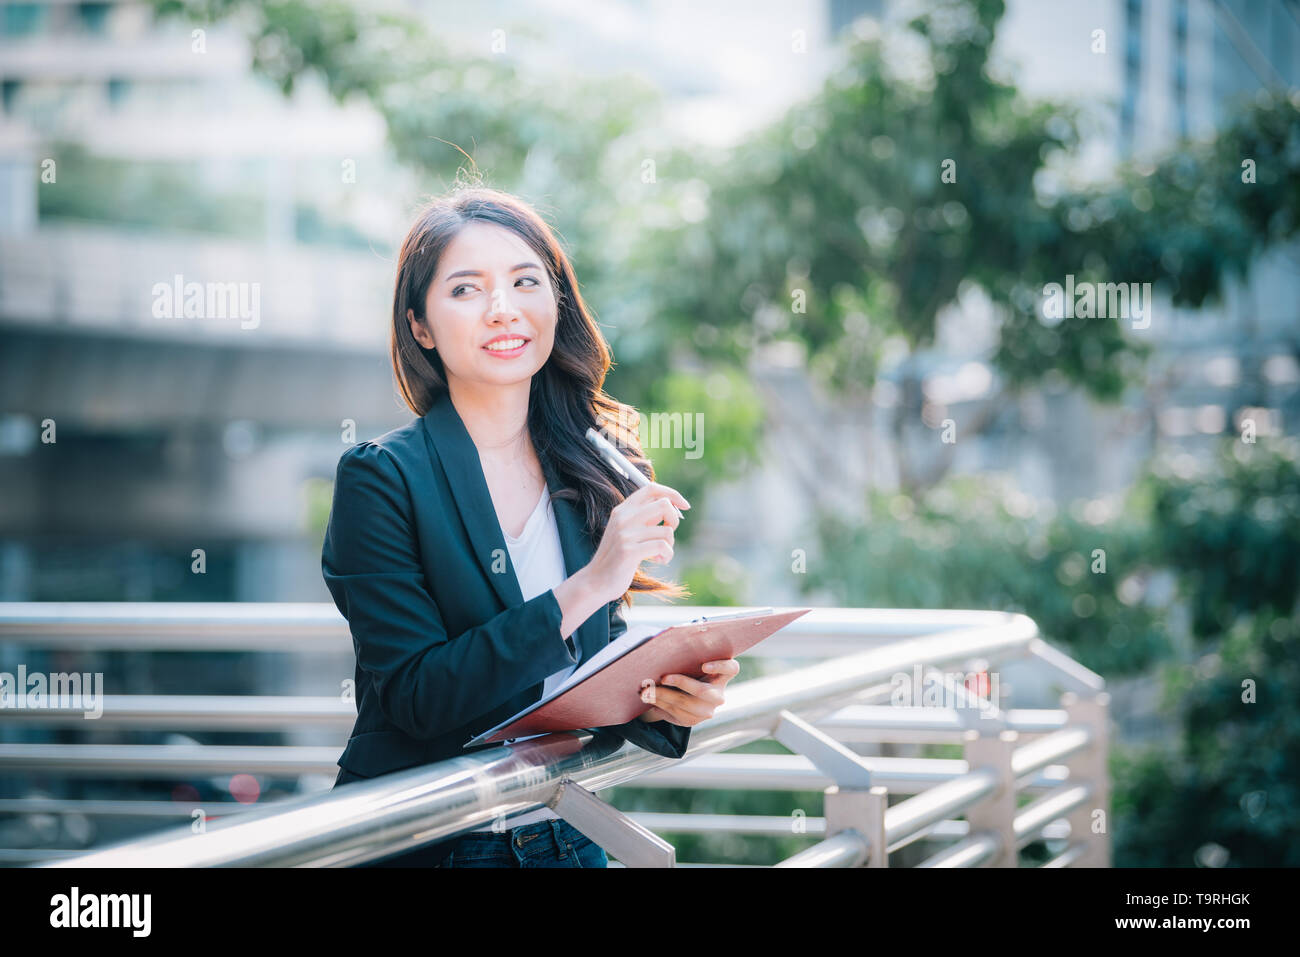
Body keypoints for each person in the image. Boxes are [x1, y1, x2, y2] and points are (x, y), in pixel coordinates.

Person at [321, 183, 740, 867]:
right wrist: (590, 584)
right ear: (419, 325)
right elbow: (416, 696)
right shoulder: (381, 479)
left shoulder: (600, 458)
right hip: (433, 843)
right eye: (466, 289)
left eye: (525, 281)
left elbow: (577, 673)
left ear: (556, 302)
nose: (503, 309)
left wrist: (667, 699)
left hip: (567, 833)